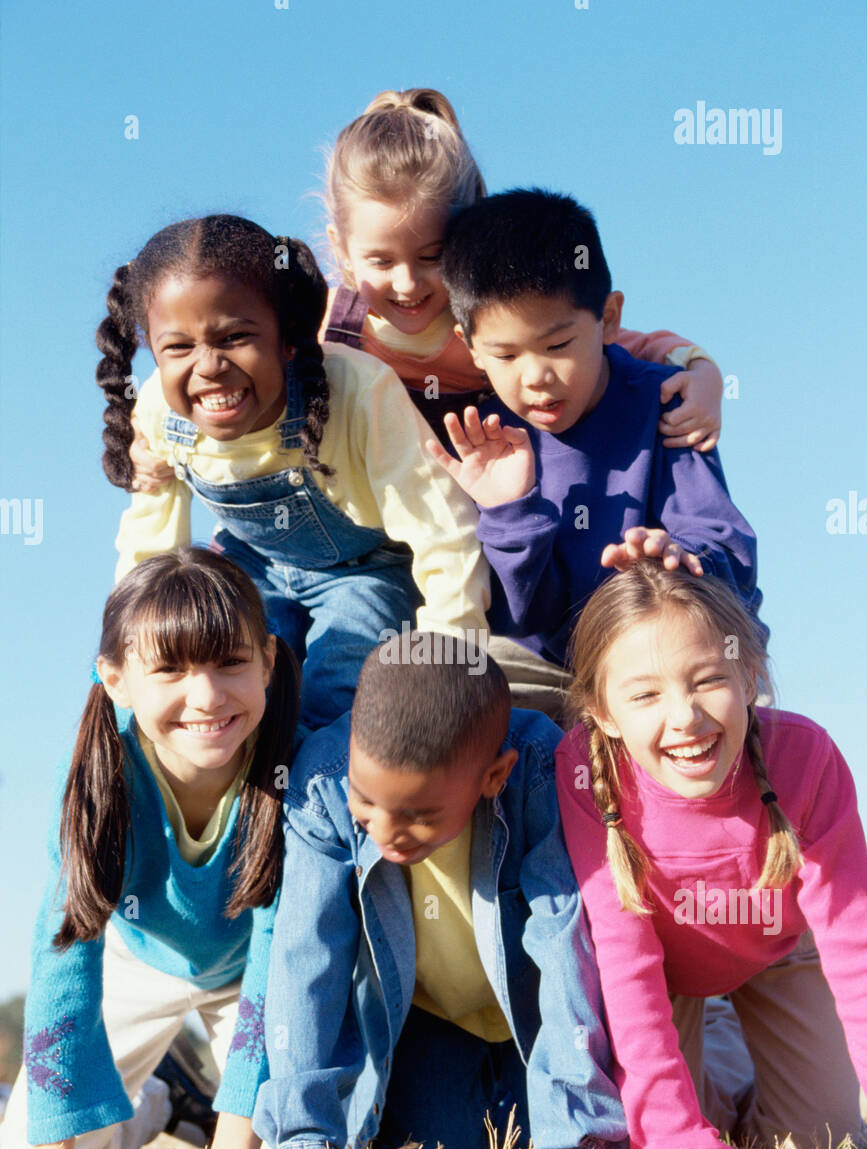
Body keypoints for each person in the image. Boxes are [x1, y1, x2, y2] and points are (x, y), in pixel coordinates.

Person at [253, 640, 627, 1149]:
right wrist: (307, 1141)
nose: (386, 833)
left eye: (420, 815)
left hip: (535, 1021)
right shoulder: (322, 784)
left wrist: (571, 1141)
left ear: (494, 776)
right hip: (431, 1026)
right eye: (368, 803)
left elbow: (565, 943)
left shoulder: (539, 772)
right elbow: (306, 963)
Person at [97, 215, 489, 733]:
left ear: (286, 336)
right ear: (152, 347)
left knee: (341, 695)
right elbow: (152, 548)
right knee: (230, 685)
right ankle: (252, 799)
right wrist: (131, 651)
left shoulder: (358, 391)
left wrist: (452, 662)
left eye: (235, 337)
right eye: (179, 347)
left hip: (361, 570)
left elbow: (441, 528)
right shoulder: (159, 414)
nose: (209, 365)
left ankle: (327, 798)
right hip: (248, 565)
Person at [555, 561, 867, 1149]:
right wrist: (673, 1137)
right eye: (645, 695)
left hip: (778, 952)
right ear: (605, 714)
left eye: (707, 681)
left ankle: (755, 1056)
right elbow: (623, 961)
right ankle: (719, 1046)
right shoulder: (589, 772)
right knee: (693, 1133)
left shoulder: (805, 756)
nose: (685, 718)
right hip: (666, 975)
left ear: (749, 676)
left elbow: (853, 941)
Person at [0, 549, 299, 1149]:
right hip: (139, 961)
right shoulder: (93, 781)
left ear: (268, 661)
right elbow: (64, 961)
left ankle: (190, 1104)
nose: (207, 696)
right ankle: (153, 1103)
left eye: (231, 662)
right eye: (169, 669)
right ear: (114, 679)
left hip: (248, 975)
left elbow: (279, 960)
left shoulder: (293, 771)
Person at [425, 187, 763, 720]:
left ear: (608, 318)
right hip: (555, 666)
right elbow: (529, 614)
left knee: (743, 723)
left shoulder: (664, 404)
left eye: (558, 345)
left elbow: (732, 554)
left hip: (678, 651)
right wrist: (511, 512)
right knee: (472, 700)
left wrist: (676, 561)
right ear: (470, 348)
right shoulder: (491, 442)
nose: (535, 376)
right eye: (506, 354)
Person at [321, 89, 724, 451]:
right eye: (382, 261)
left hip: (495, 512)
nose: (407, 283)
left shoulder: (495, 321)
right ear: (341, 248)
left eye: (431, 257)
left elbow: (602, 337)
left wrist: (705, 375)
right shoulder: (326, 327)